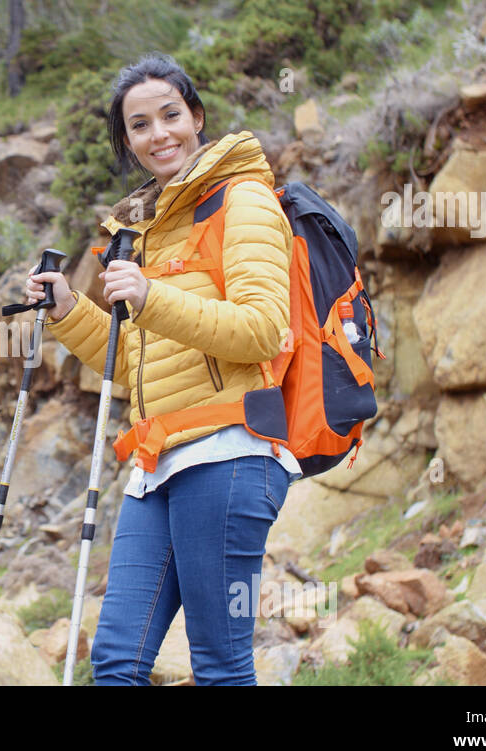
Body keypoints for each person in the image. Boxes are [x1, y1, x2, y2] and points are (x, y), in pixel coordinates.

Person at [22, 52, 300, 685]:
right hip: (159, 461)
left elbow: (262, 330)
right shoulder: (145, 230)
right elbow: (132, 361)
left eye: (171, 115)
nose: (159, 134)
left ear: (197, 117)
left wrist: (152, 296)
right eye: (139, 125)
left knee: (220, 665)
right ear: (127, 141)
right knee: (117, 661)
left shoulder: (244, 201)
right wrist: (68, 309)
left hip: (231, 453)